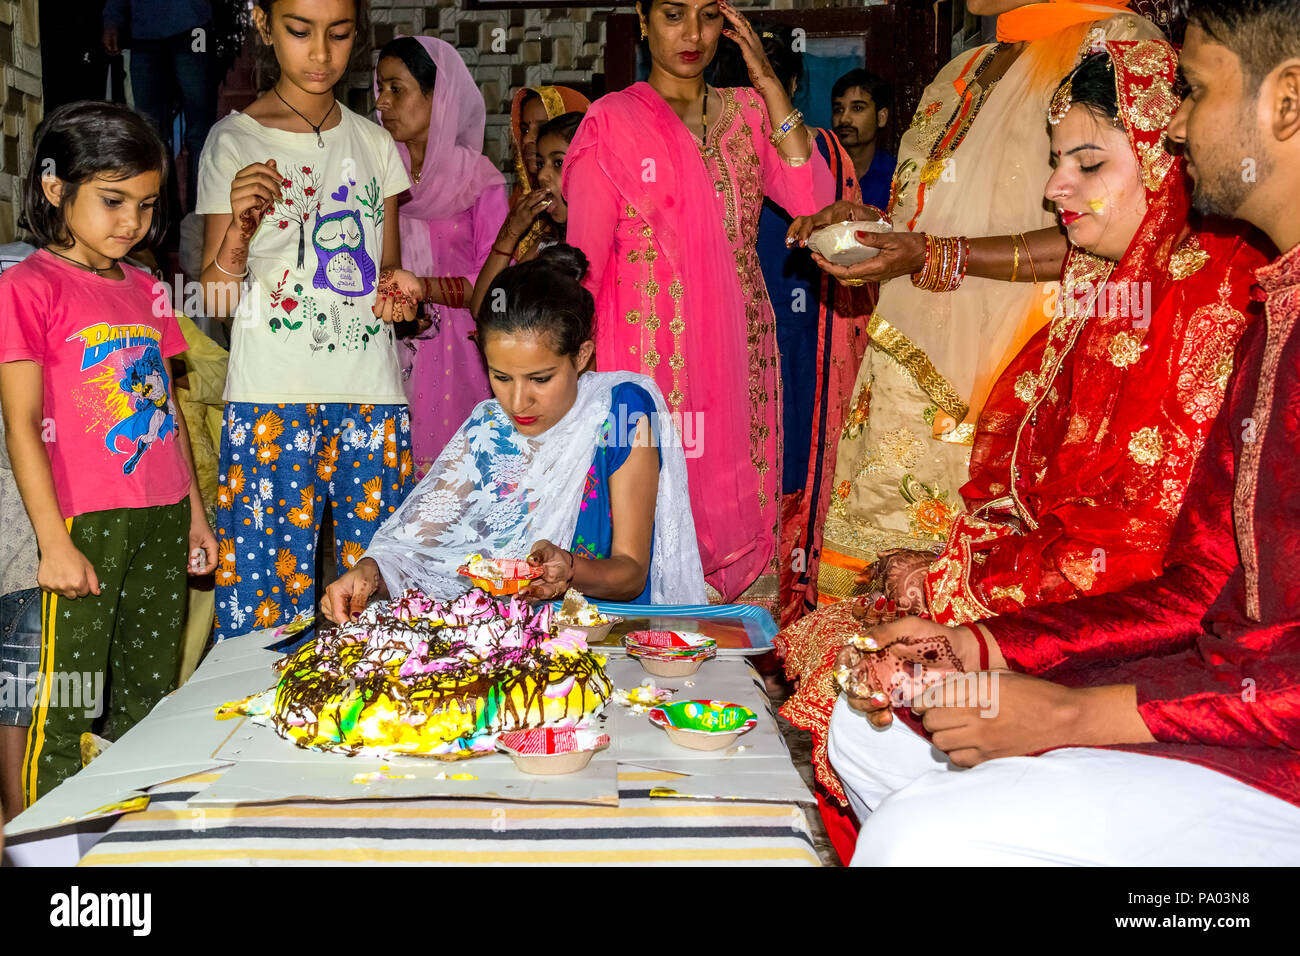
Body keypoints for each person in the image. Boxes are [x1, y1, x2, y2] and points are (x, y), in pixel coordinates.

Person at [826, 0, 1300, 865]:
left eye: (1192, 92)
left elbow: (1137, 555)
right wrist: (978, 644)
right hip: (1214, 686)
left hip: (1272, 746)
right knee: (868, 728)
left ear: (1286, 102)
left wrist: (1074, 711)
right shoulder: (1276, 307)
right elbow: (1200, 587)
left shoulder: (1221, 298)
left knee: (917, 832)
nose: (1178, 123)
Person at [564, 0, 832, 612]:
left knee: (732, 499)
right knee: (650, 513)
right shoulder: (612, 123)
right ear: (642, 19)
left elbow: (811, 196)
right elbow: (585, 265)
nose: (692, 34)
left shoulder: (744, 115)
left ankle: (725, 676)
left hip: (738, 353)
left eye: (708, 16)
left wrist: (767, 84)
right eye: (673, 14)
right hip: (646, 351)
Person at [0, 101, 216, 806]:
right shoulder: (27, 287)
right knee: (66, 701)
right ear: (56, 188)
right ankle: (45, 850)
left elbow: (168, 414)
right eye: (114, 200)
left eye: (146, 205)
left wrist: (195, 517)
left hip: (160, 519)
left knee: (150, 694)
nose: (132, 222)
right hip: (87, 525)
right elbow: (22, 424)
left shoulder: (150, 289)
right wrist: (53, 541)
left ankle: (130, 836)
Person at [320, 244, 707, 622]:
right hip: (508, 639)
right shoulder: (489, 427)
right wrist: (369, 573)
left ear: (582, 355)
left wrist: (569, 569)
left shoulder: (621, 412)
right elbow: (417, 550)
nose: (518, 401)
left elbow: (631, 571)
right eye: (501, 377)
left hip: (602, 634)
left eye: (540, 379)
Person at [196, 0, 422, 642]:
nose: (321, 53)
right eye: (299, 31)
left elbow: (388, 284)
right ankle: (252, 740)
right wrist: (240, 229)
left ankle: (378, 735)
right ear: (264, 25)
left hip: (372, 400)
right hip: (271, 401)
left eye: (340, 33)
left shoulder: (376, 144)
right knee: (260, 617)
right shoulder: (234, 140)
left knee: (383, 609)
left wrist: (403, 298)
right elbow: (214, 302)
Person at [374, 35, 509, 477]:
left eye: (397, 88)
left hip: (462, 355)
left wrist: (421, 288)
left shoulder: (478, 179)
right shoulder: (373, 173)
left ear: (439, 97)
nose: (382, 102)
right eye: (380, 88)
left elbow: (495, 282)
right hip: (385, 347)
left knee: (460, 492)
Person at [102, 0, 218, 214]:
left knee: (199, 133)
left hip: (192, 29)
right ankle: (163, 221)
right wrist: (112, 18)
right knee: (152, 135)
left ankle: (200, 218)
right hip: (146, 34)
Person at [470, 112, 584, 318]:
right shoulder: (547, 246)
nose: (541, 175)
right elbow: (485, 309)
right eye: (540, 164)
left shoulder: (615, 244)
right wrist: (510, 234)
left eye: (558, 162)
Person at [508, 86, 591, 261]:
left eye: (558, 162)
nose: (528, 139)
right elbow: (497, 288)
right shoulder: (520, 204)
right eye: (524, 130)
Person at [830, 68, 895, 212]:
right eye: (838, 110)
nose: (844, 119)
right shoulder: (821, 171)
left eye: (857, 108)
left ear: (881, 117)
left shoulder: (897, 177)